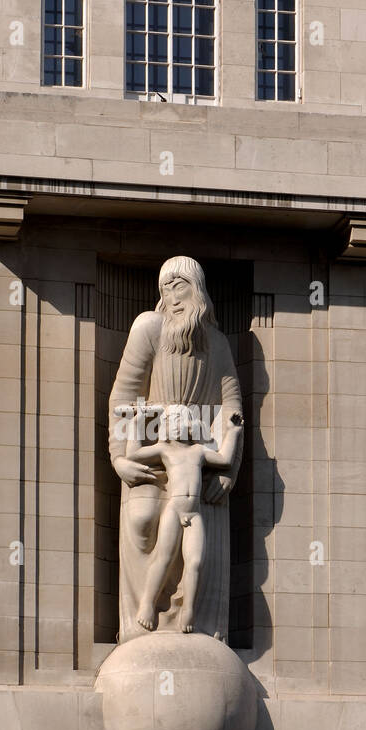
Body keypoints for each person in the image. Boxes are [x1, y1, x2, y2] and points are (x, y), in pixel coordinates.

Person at [108, 256, 244, 640]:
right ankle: (141, 622)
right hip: (153, 441)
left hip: (199, 456)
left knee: (198, 555)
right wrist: (119, 456)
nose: (172, 297)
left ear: (198, 288)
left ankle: (193, 624)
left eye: (179, 285)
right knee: (142, 520)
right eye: (165, 289)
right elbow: (126, 392)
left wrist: (230, 472)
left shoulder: (217, 343)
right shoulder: (148, 327)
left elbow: (232, 407)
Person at [113, 404, 244, 632]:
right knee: (164, 558)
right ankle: (147, 604)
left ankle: (189, 610)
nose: (174, 426)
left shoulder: (198, 451)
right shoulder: (164, 450)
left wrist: (233, 432)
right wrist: (135, 423)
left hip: (194, 513)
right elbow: (133, 454)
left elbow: (224, 460)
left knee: (195, 562)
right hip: (174, 510)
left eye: (178, 420)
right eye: (170, 422)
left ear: (189, 425)